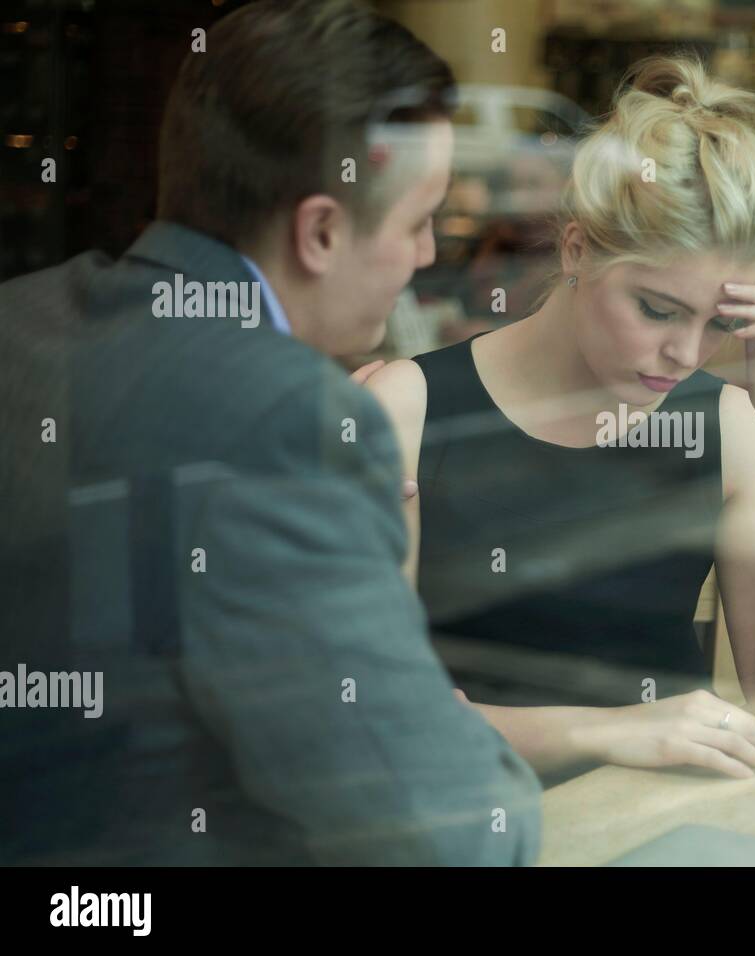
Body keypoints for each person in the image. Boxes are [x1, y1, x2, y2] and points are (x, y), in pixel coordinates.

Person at [0, 0, 540, 865]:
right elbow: (446, 835)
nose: (429, 253)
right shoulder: (292, 420)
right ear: (321, 231)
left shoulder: (18, 327)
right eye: (415, 220)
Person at [366, 56, 755, 784]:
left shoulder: (727, 426)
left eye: (720, 320)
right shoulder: (409, 411)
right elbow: (380, 723)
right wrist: (617, 731)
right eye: (658, 310)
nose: (687, 353)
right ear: (577, 250)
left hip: (657, 831)